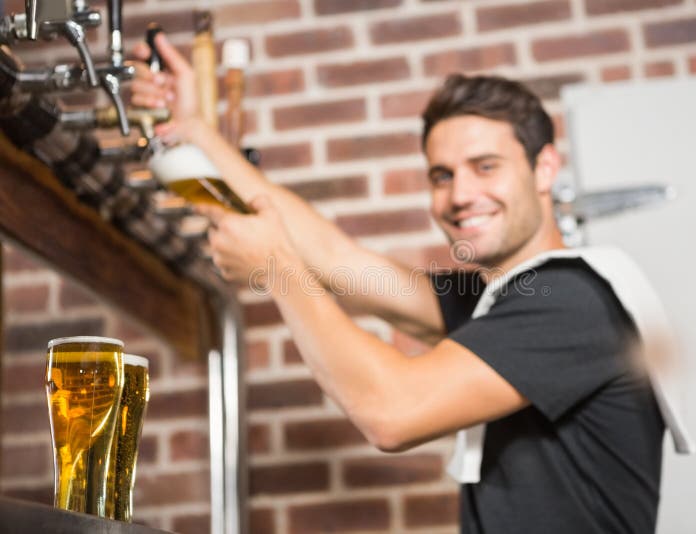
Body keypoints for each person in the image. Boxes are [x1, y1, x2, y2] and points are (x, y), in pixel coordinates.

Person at [132, 34, 668, 534]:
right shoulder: (500, 301)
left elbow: (392, 412)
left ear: (545, 168)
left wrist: (276, 268)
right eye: (442, 175)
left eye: (485, 167)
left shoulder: (572, 299)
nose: (460, 194)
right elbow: (338, 260)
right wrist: (198, 130)